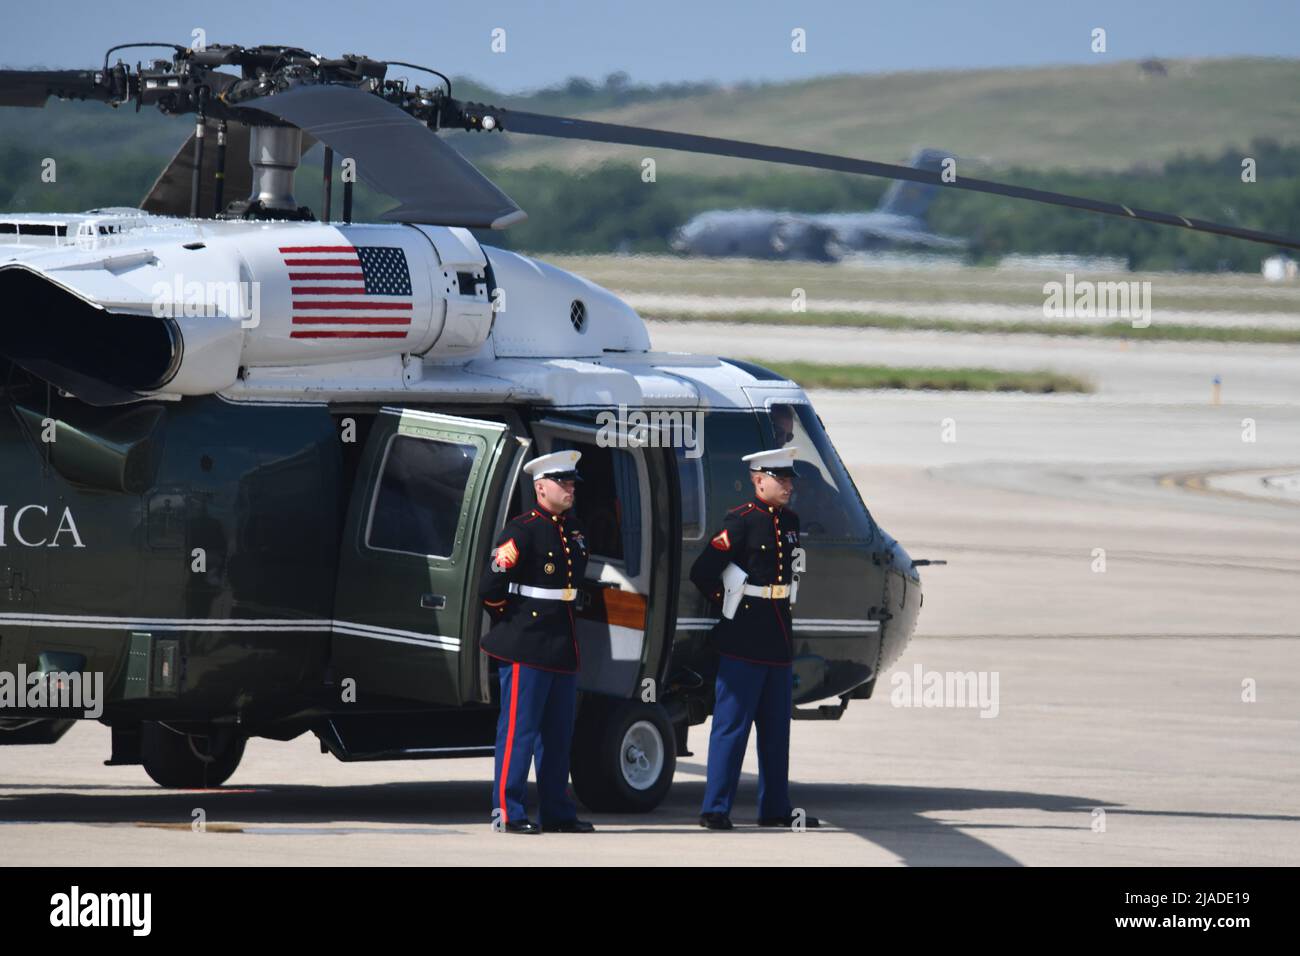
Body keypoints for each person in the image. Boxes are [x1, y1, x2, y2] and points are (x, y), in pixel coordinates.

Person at [689, 447, 821, 831]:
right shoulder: (741, 522)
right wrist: (730, 601)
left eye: (789, 479)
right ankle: (715, 808)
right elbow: (704, 572)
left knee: (777, 730)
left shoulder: (791, 521)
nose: (788, 485)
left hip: (778, 637)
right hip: (743, 638)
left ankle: (775, 808)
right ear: (758, 480)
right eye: (780, 479)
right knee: (731, 727)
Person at [479, 449, 596, 834]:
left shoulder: (574, 530)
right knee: (518, 732)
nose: (569, 488)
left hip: (561, 642)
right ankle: (509, 813)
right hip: (526, 643)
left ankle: (557, 812)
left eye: (571, 482)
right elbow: (491, 586)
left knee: (558, 734)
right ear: (540, 487)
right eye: (562, 482)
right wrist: (510, 621)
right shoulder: (522, 530)